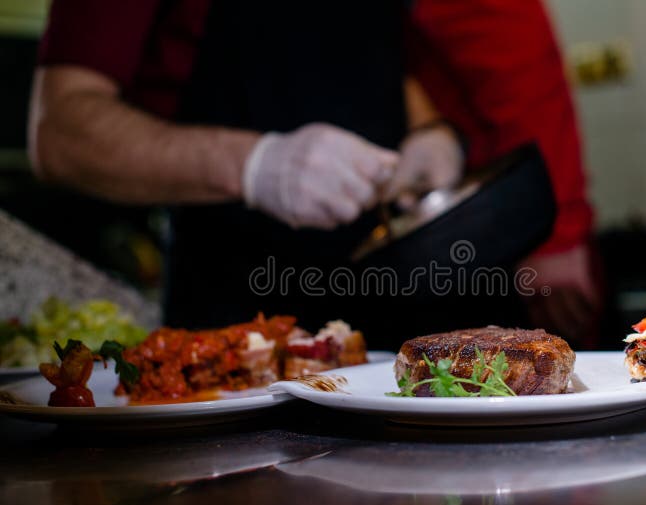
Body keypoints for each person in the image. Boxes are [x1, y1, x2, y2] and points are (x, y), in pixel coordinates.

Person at [29, 0, 596, 347]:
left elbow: (380, 60)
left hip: (401, 316)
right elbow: (57, 132)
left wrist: (429, 135)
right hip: (245, 322)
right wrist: (255, 166)